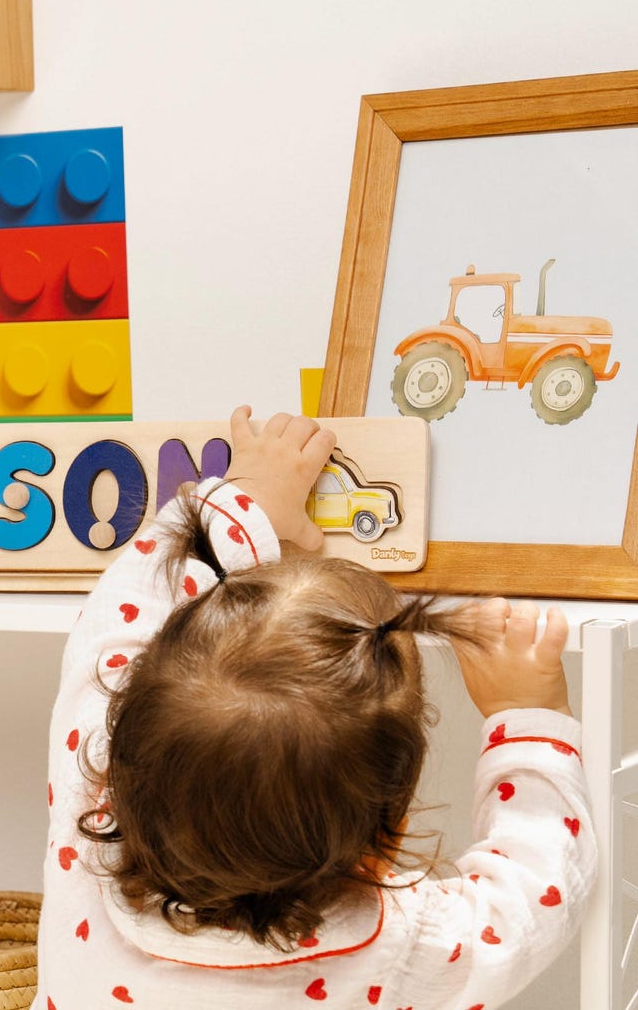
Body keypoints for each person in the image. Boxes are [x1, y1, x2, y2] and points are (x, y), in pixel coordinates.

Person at [34, 408, 595, 1009]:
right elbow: (536, 888)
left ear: (121, 750)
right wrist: (524, 714)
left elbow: (121, 610)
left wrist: (242, 503)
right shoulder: (404, 944)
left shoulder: (87, 818)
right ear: (386, 837)